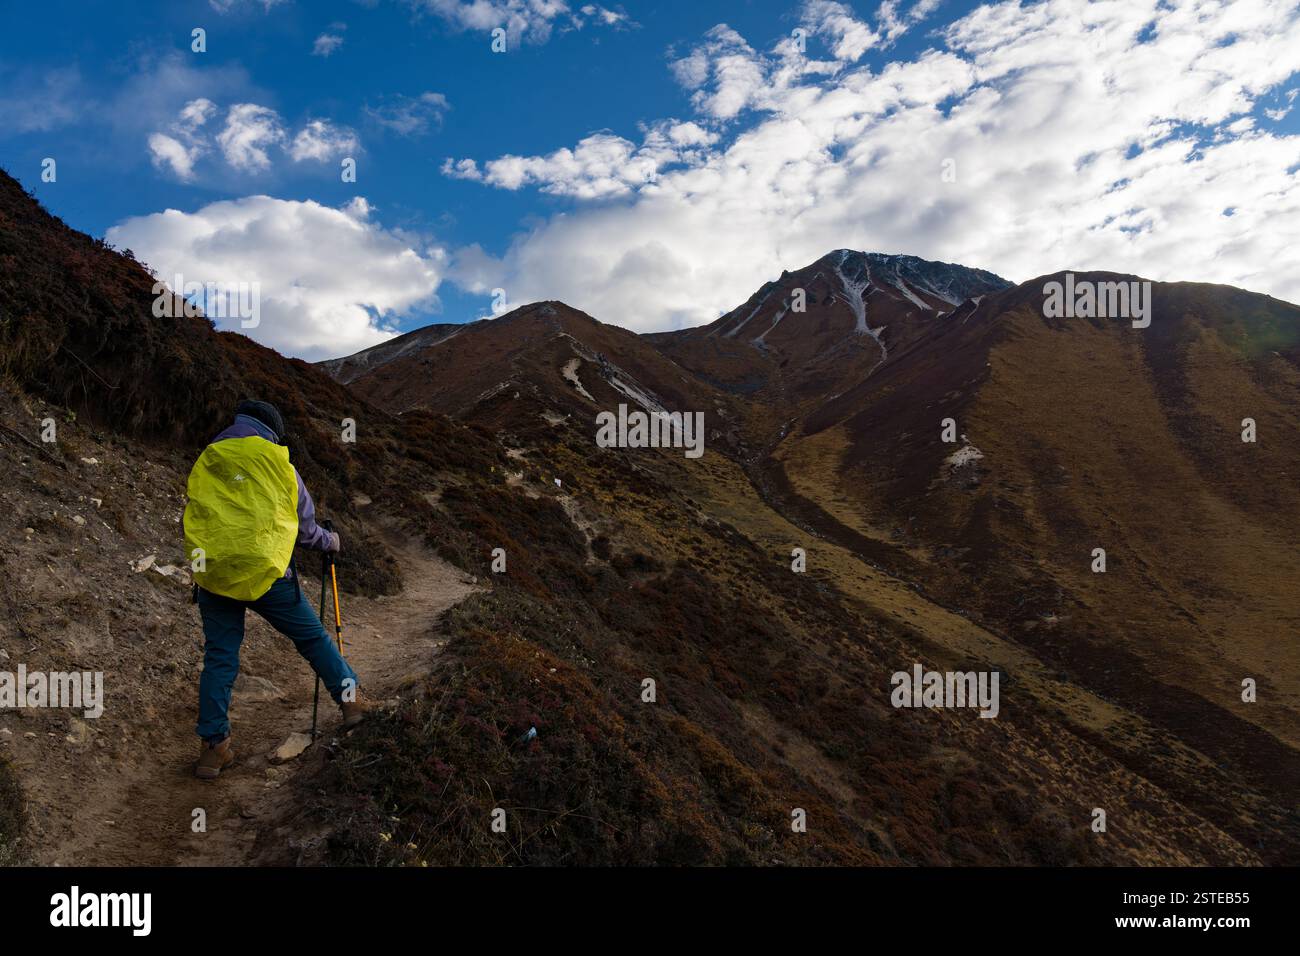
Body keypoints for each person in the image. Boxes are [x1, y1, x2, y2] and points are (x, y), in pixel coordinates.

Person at [183, 400, 366, 780]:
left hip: (214, 572)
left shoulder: (209, 456)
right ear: (271, 430)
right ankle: (351, 703)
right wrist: (331, 541)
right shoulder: (279, 463)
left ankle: (213, 750)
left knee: (219, 656)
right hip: (268, 573)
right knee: (313, 639)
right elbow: (304, 528)